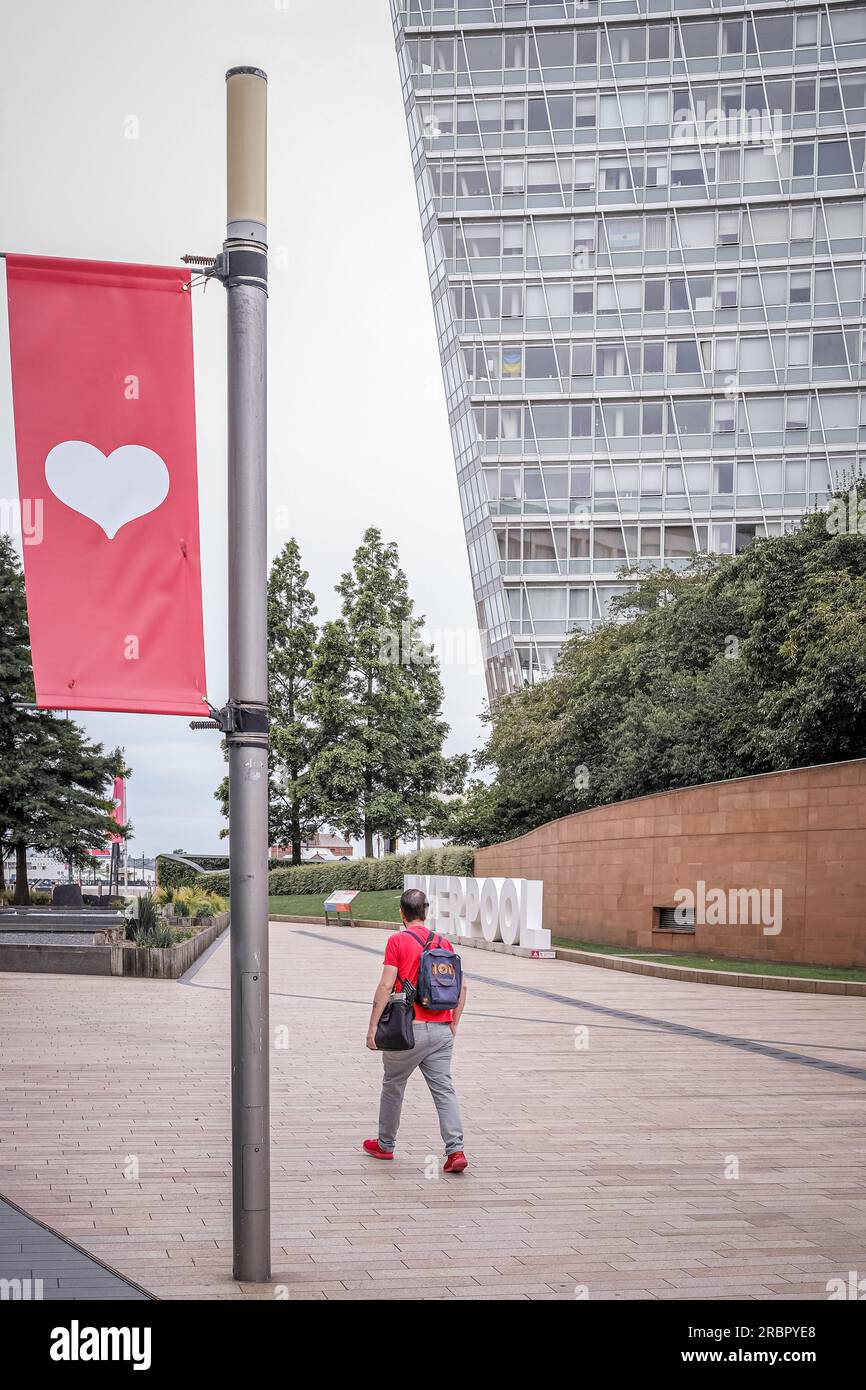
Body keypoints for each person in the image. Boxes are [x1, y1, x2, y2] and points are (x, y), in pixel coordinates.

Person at [364, 887, 468, 1172]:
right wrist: (453, 1024)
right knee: (444, 1090)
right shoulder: (444, 944)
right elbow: (462, 988)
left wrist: (372, 1028)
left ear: (401, 912)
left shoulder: (397, 941)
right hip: (441, 1030)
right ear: (426, 912)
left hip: (406, 1032)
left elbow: (386, 985)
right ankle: (455, 1151)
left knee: (393, 1085)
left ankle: (385, 1145)